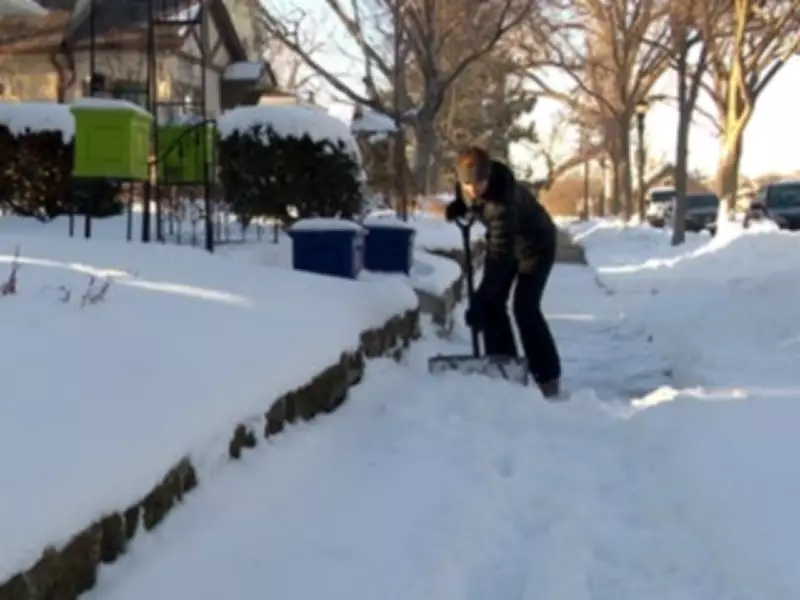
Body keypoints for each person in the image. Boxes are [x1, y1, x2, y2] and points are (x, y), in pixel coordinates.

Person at [445, 146, 562, 398]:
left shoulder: (503, 203)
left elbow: (500, 257)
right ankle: (503, 369)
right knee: (492, 306)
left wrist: (480, 297)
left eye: (480, 182)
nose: (474, 190)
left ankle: (548, 378)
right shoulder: (467, 186)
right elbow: (466, 196)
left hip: (536, 247)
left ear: (488, 176)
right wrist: (459, 205)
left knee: (525, 307)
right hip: (505, 245)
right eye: (468, 184)